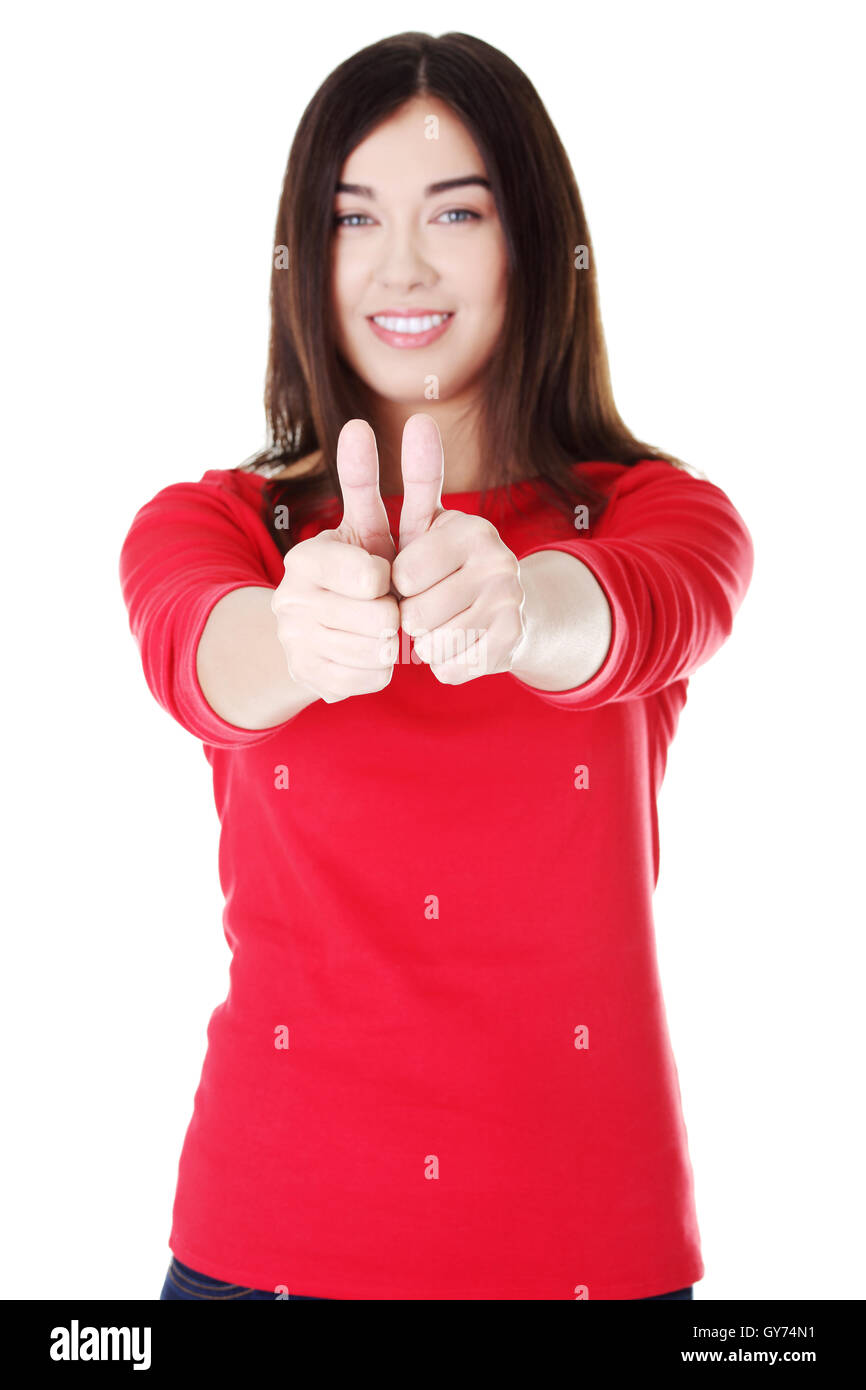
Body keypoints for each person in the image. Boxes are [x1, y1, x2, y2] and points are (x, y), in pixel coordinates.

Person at [119, 31, 753, 1301]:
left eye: (453, 212)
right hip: (267, 1254)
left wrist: (519, 608)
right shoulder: (217, 528)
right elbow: (203, 657)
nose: (400, 264)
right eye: (353, 219)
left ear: (531, 239)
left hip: (591, 1255)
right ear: (307, 256)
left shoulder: (659, 515)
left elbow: (630, 612)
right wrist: (299, 634)